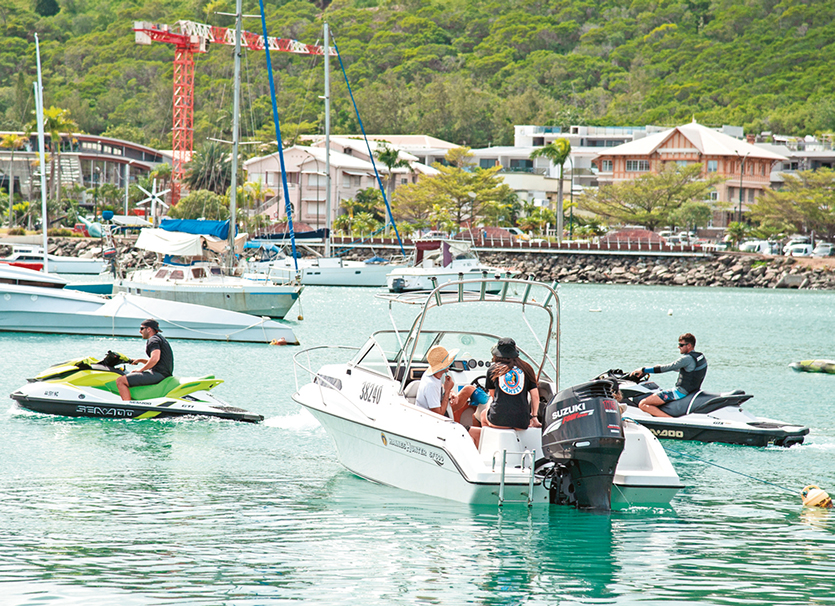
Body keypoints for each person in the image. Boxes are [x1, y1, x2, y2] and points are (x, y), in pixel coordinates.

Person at [469, 338, 541, 448]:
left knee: (483, 414)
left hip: (498, 421)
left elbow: (493, 396)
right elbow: (535, 396)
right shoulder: (527, 368)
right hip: (522, 422)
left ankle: (487, 448)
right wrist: (534, 416)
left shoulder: (493, 370)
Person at [630, 332, 707, 418]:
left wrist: (643, 369)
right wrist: (653, 368)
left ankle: (671, 420)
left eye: (681, 345)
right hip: (692, 390)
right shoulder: (699, 357)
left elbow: (666, 368)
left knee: (643, 403)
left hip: (680, 392)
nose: (678, 347)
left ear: (689, 345)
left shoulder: (686, 359)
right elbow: (677, 368)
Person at [116, 319, 174, 401]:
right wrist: (140, 360)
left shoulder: (153, 340)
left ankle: (127, 406)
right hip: (163, 373)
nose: (140, 331)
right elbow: (159, 361)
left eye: (142, 328)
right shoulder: (160, 338)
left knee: (120, 381)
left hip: (158, 374)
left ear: (149, 329)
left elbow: (155, 359)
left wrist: (141, 370)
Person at [414, 345, 476, 418]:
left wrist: (451, 392)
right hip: (430, 420)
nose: (449, 364)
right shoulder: (431, 385)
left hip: (434, 413)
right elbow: (439, 415)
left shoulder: (431, 376)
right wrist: (447, 391)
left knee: (469, 389)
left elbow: (439, 386)